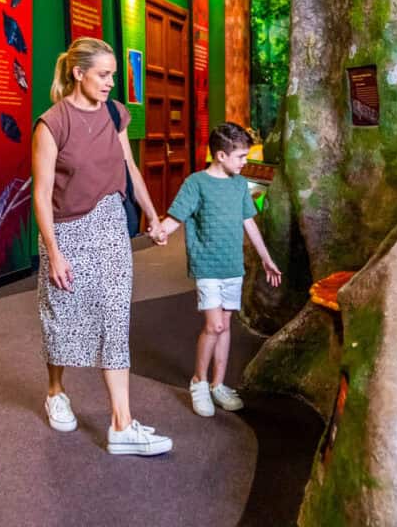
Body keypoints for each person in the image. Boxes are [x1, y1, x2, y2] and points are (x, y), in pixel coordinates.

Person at [32, 37, 172, 455]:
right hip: (67, 231)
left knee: (114, 317)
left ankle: (121, 424)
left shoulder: (115, 114)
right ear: (79, 73)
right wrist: (54, 252)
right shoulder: (52, 123)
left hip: (111, 222)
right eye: (104, 75)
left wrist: (151, 213)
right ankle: (56, 391)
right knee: (64, 314)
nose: (112, 82)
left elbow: (129, 166)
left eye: (113, 74)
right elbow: (40, 195)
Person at [156, 122, 282, 417]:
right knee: (213, 326)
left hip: (232, 266)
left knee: (225, 326)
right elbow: (176, 217)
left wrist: (265, 258)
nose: (245, 162)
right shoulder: (196, 183)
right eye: (241, 157)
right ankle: (199, 382)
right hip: (207, 267)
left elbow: (248, 222)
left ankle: (218, 384)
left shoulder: (239, 185)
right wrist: (161, 231)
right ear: (221, 156)